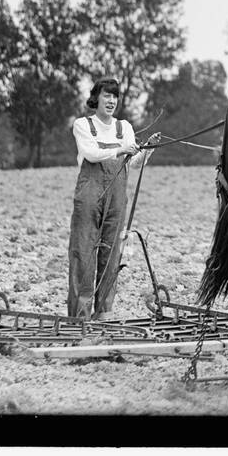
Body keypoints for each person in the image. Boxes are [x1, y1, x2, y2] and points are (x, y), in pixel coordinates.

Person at [68, 78, 151, 319]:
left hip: (117, 197)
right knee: (83, 253)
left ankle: (104, 314)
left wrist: (147, 151)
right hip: (90, 194)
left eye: (115, 96)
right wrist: (120, 150)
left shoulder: (124, 127)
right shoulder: (83, 124)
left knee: (112, 255)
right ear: (96, 98)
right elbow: (91, 154)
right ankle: (80, 317)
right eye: (106, 95)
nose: (111, 101)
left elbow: (133, 162)